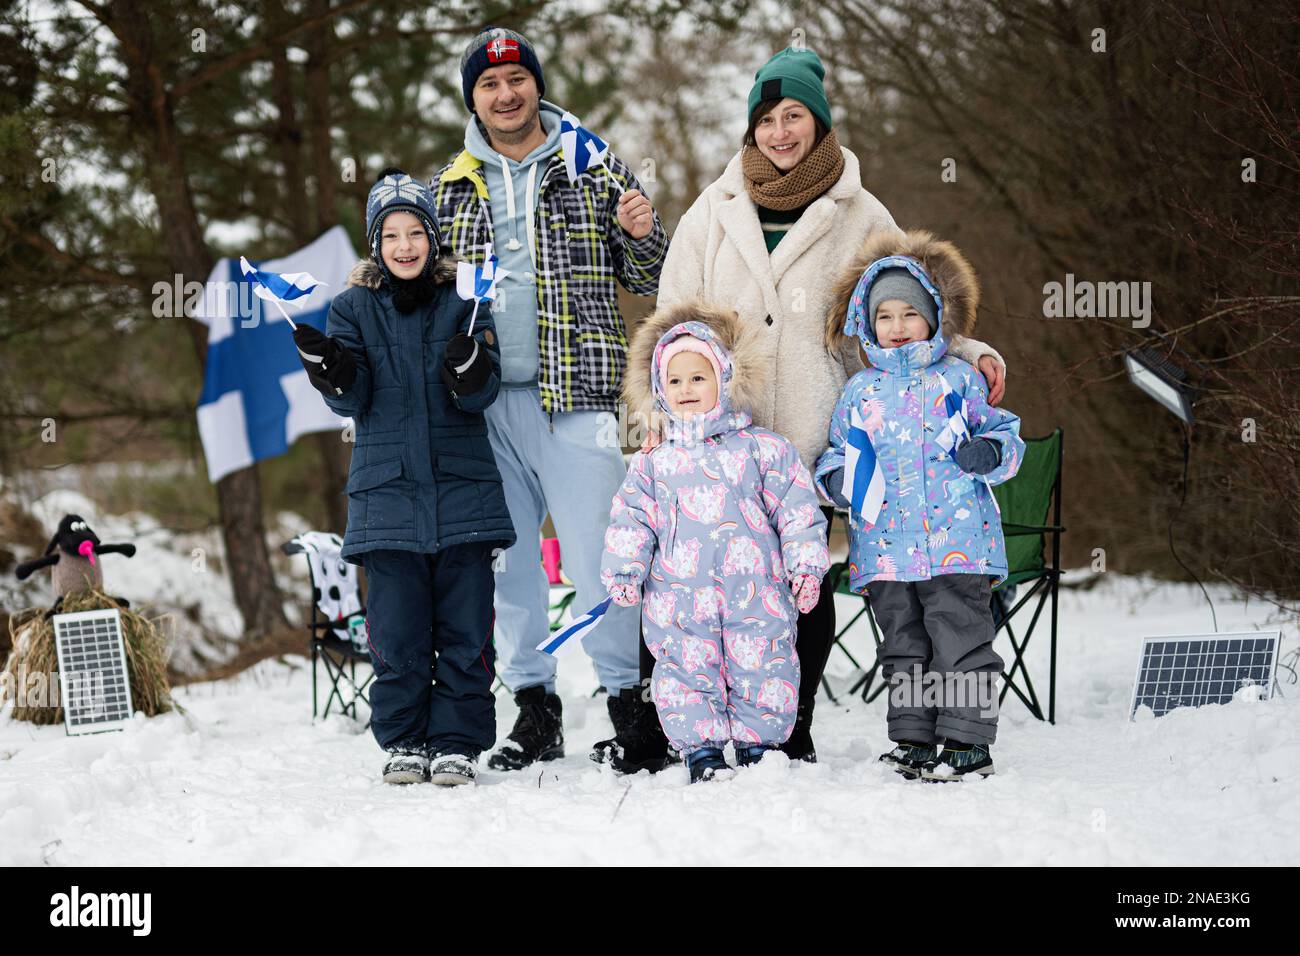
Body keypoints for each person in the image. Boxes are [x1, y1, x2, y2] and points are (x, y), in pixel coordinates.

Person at [651, 46, 1009, 761]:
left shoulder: (861, 211)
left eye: (795, 116)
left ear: (819, 123)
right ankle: (707, 726)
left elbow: (910, 304)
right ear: (750, 130)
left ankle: (795, 727)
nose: (781, 132)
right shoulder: (711, 213)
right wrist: (665, 419)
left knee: (800, 584)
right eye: (768, 120)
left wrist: (970, 353)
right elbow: (671, 324)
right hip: (728, 441)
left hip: (818, 433)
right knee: (727, 591)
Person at [431, 27, 672, 773]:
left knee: (601, 562)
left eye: (517, 80)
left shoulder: (591, 166)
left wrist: (643, 232)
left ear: (536, 84)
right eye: (489, 85)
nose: (506, 95)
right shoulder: (449, 187)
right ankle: (534, 706)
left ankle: (632, 706)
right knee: (510, 568)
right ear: (473, 98)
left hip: (580, 398)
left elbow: (648, 275)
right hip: (482, 409)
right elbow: (421, 290)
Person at [292, 169, 514, 786]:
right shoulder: (351, 307)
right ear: (375, 244)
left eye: (416, 231)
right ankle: (404, 740)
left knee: (467, 631)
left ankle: (456, 742)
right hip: (386, 498)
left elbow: (482, 394)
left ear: (433, 238)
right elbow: (350, 397)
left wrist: (470, 372)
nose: (405, 245)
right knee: (397, 632)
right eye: (391, 235)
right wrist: (331, 368)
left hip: (462, 493)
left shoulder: (466, 302)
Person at [815, 230, 1024, 781]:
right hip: (885, 552)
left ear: (934, 315)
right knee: (904, 646)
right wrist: (836, 482)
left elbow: (1006, 436)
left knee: (960, 638)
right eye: (885, 316)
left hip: (957, 544)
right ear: (867, 323)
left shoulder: (957, 379)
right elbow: (836, 453)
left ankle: (967, 739)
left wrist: (991, 451)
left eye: (911, 312)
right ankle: (914, 737)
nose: (898, 326)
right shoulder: (859, 391)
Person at [602, 302, 830, 782]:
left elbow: (798, 511)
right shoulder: (653, 461)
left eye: (698, 378)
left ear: (724, 380)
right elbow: (631, 519)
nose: (686, 389)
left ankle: (759, 746)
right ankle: (699, 749)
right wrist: (625, 569)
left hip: (757, 595)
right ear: (661, 391)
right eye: (676, 381)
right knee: (685, 671)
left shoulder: (764, 449)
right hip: (679, 600)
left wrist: (806, 567)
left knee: (764, 664)